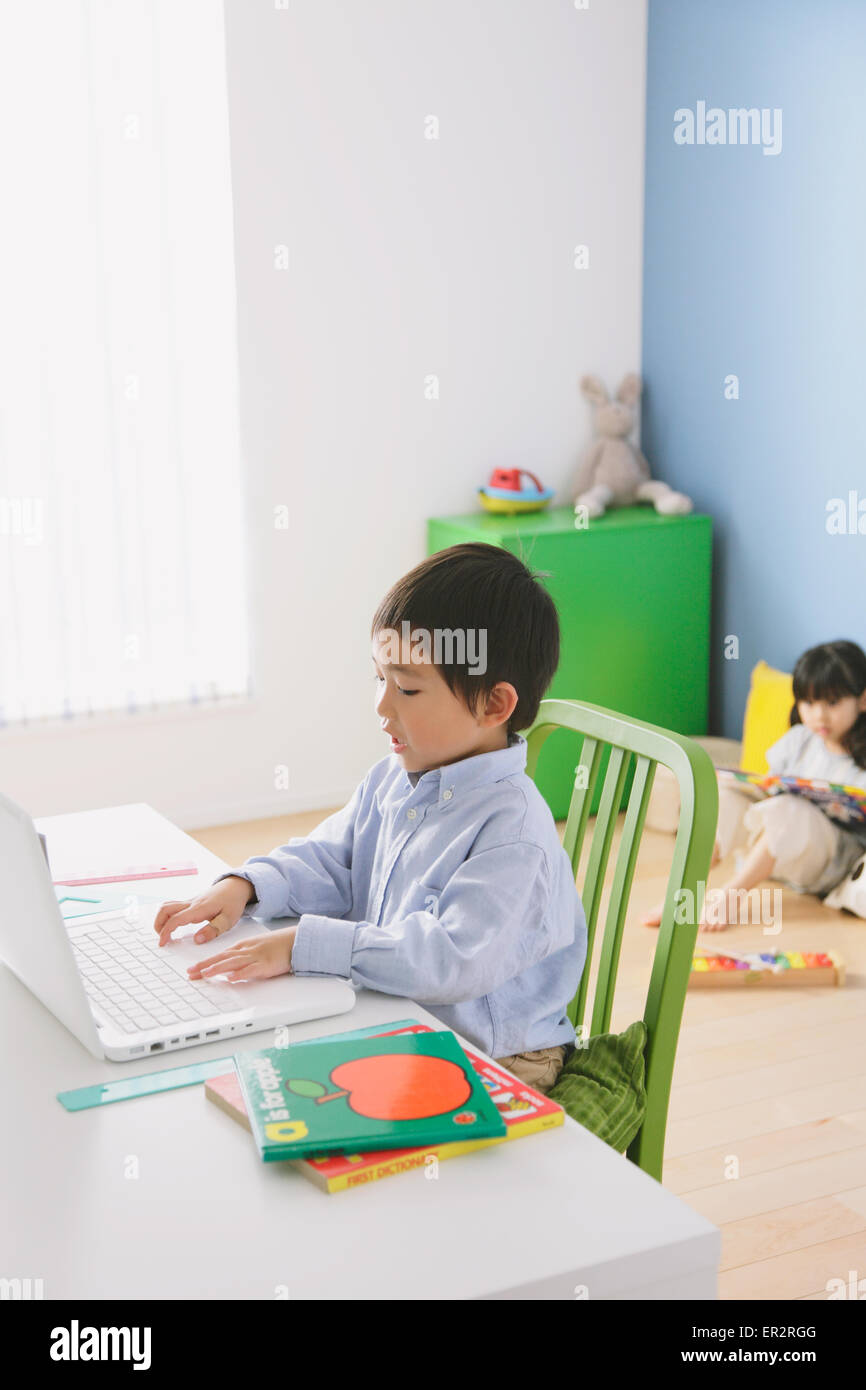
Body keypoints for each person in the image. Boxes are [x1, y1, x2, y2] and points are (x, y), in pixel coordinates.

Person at [153, 543, 587, 1094]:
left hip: (497, 1054)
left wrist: (304, 945)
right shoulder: (393, 777)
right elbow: (332, 861)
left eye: (406, 687)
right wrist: (247, 884)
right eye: (378, 677)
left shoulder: (514, 832)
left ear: (494, 706)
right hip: (405, 1018)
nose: (382, 705)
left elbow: (450, 959)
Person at [643, 640, 866, 931]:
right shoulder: (800, 740)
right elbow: (770, 790)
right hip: (780, 847)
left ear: (862, 700)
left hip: (833, 859)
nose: (819, 715)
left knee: (790, 809)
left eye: (832, 703)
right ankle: (683, 891)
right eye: (809, 703)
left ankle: (731, 895)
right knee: (724, 798)